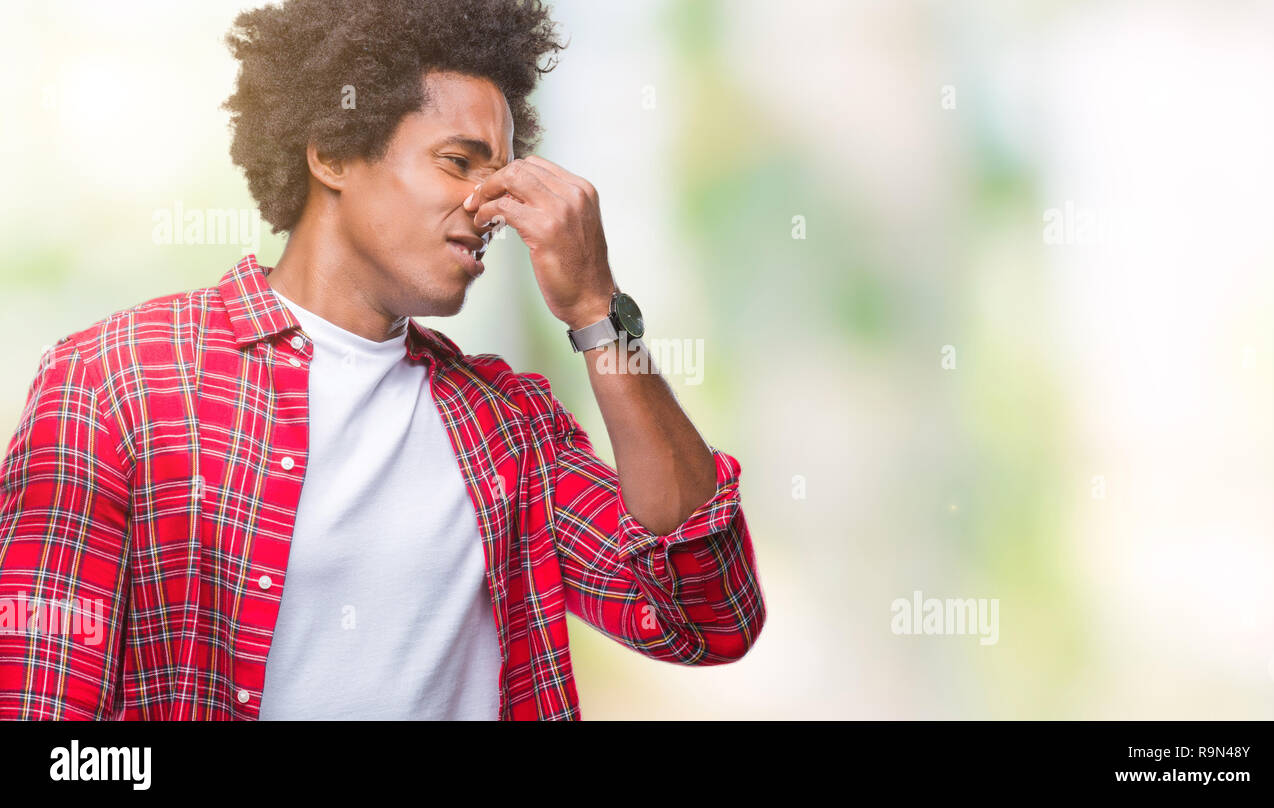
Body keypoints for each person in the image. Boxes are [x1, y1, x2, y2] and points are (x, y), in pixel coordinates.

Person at [0, 0, 765, 720]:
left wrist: (599, 312)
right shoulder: (115, 383)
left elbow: (708, 617)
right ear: (333, 153)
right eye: (459, 162)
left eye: (500, 175)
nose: (489, 206)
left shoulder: (511, 426)